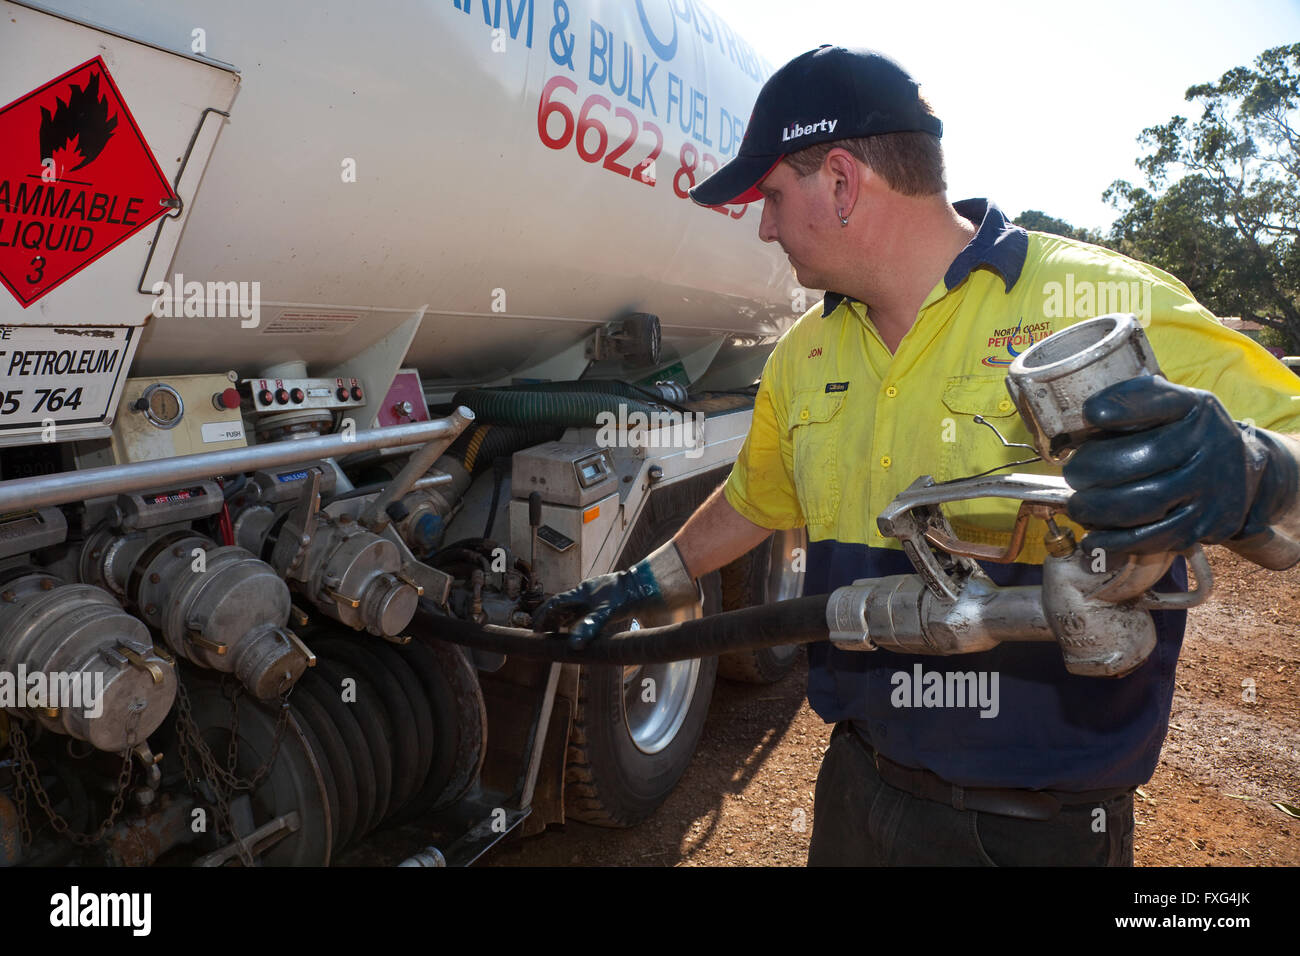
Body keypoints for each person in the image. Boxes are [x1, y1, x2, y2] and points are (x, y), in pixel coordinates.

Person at [533, 45, 1300, 865]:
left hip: (1035, 827)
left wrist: (1259, 470)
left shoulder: (1101, 302)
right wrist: (637, 585)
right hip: (859, 791)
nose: (763, 224)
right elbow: (756, 500)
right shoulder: (805, 354)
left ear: (840, 181)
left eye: (771, 196)